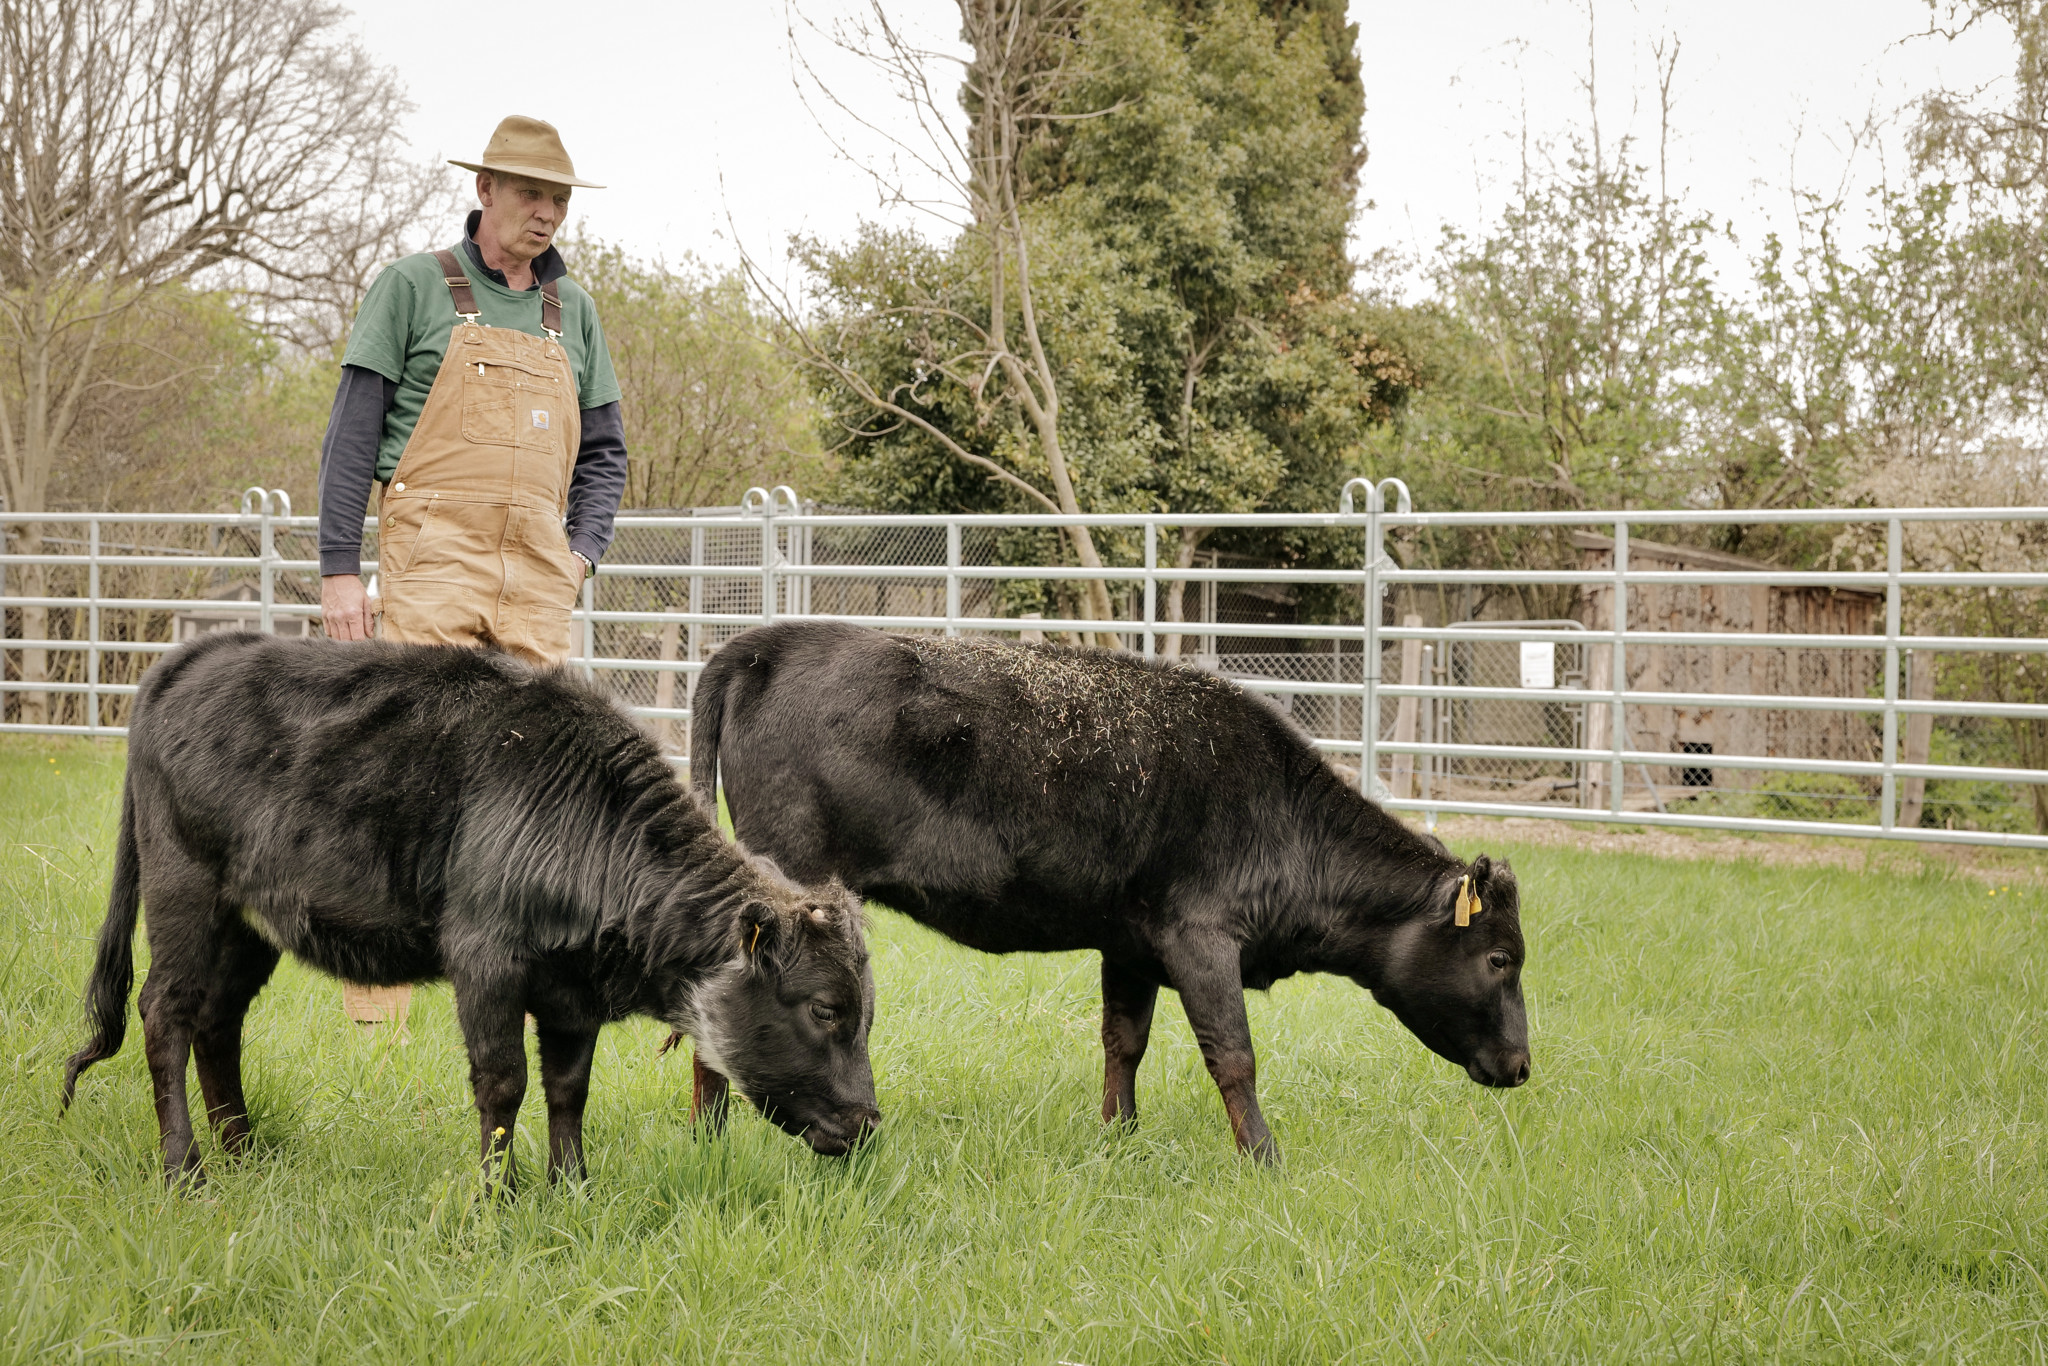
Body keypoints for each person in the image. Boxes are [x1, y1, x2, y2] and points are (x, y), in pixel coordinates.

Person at [315, 115, 629, 1029]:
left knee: (536, 782)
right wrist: (341, 568)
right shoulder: (413, 288)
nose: (547, 212)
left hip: (537, 574)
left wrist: (578, 557)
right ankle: (378, 1004)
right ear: (485, 191)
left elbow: (606, 452)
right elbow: (350, 440)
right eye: (530, 193)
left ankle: (522, 980)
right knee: (408, 773)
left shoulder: (575, 313)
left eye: (559, 199)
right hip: (433, 560)